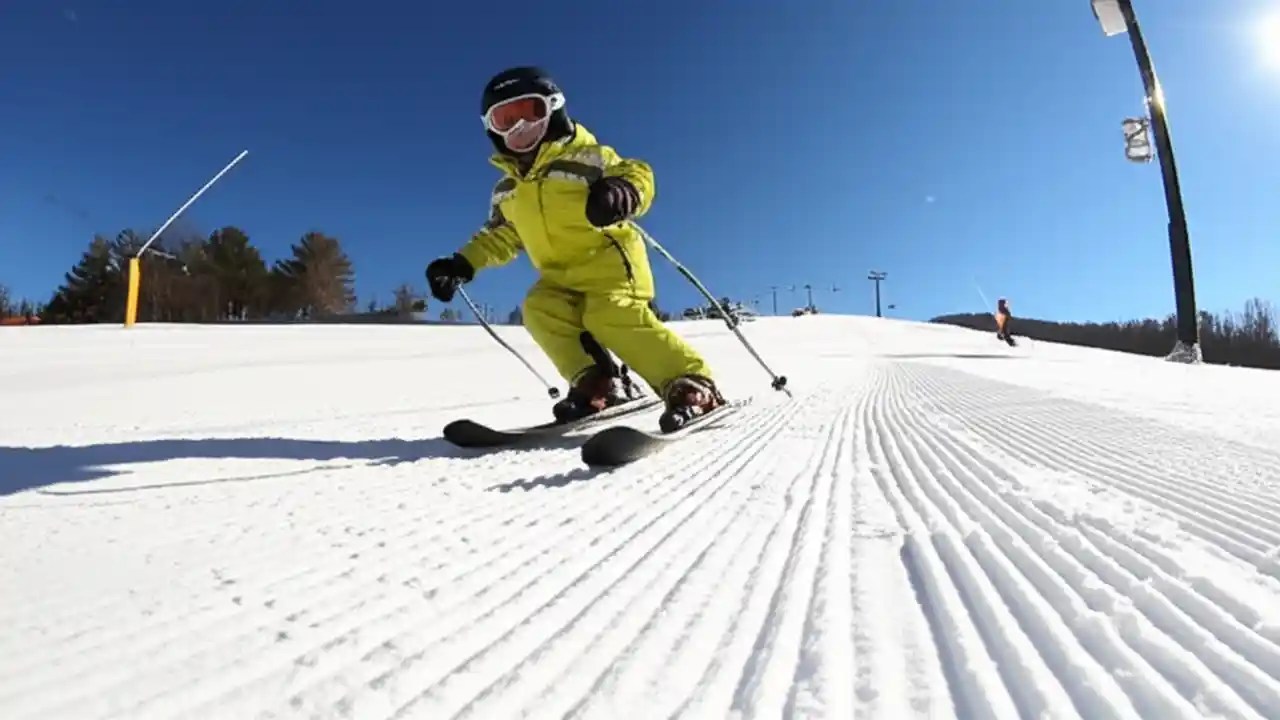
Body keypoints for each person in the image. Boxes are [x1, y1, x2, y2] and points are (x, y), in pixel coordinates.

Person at [424, 66, 724, 432]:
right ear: (491, 130)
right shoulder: (507, 190)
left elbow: (637, 173)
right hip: (559, 279)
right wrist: (461, 264)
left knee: (609, 315)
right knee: (538, 308)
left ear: (553, 109)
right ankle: (598, 383)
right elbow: (499, 237)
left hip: (611, 270)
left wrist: (623, 192)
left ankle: (690, 383)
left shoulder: (588, 158)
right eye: (504, 120)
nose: (518, 128)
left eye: (529, 113)